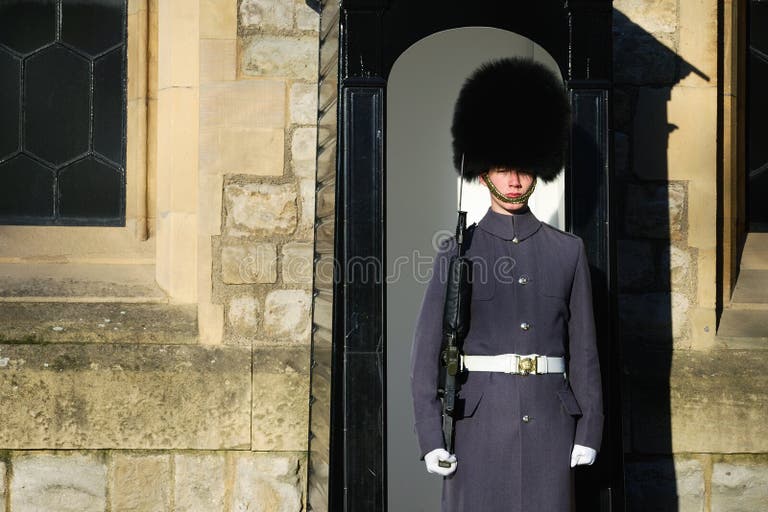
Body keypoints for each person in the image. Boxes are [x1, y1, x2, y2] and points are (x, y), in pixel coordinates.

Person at [410, 58, 603, 512]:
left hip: (552, 428)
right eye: (502, 167)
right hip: (479, 428)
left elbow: (586, 352)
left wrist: (589, 429)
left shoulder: (568, 251)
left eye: (522, 168)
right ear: (483, 174)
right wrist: (430, 437)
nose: (514, 179)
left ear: (539, 170)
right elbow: (424, 356)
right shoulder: (457, 252)